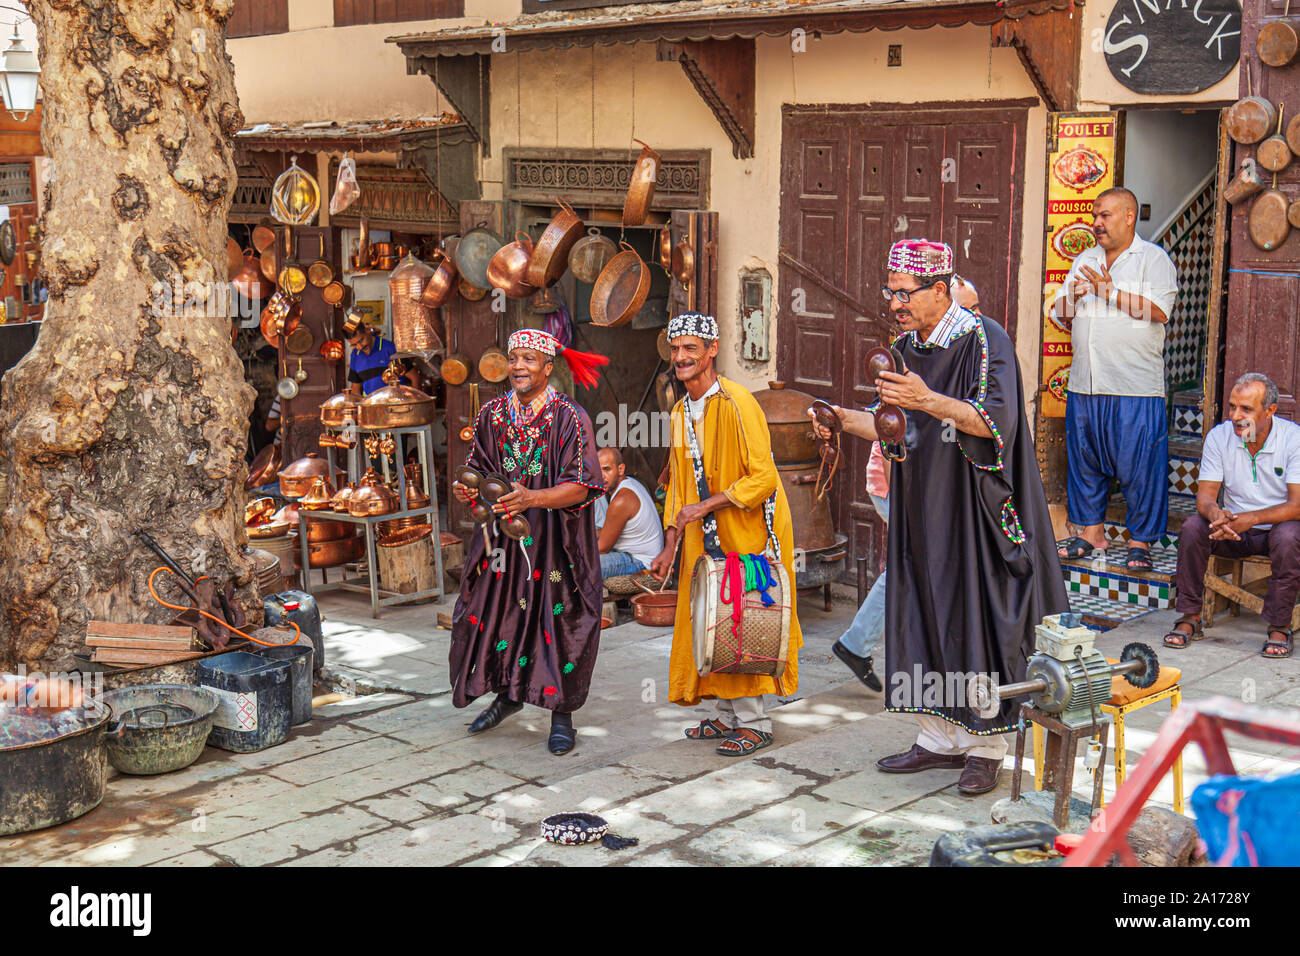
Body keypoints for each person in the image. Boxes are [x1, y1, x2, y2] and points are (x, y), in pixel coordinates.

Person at [811, 239, 1069, 795]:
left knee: (977, 616)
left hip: (976, 506)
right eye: (890, 293)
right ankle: (937, 737)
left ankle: (985, 745)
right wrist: (838, 418)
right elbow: (893, 426)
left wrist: (926, 400)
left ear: (941, 290)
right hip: (919, 503)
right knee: (922, 610)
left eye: (905, 294)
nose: (895, 304)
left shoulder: (985, 339)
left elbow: (993, 423)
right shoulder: (903, 346)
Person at [448, 329, 610, 755]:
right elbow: (479, 470)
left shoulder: (570, 418)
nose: (518, 367)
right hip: (505, 542)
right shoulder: (492, 414)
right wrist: (470, 490)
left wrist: (534, 497)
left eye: (529, 359)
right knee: (501, 615)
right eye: (514, 358)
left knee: (557, 620)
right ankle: (509, 695)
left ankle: (561, 714)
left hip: (557, 543)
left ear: (548, 368)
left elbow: (584, 485)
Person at [649, 311, 803, 758]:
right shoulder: (679, 410)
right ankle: (727, 712)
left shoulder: (738, 402)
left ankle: (755, 722)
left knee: (741, 618)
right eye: (676, 351)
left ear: (711, 351)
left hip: (747, 528)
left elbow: (763, 479)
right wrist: (671, 541)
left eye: (690, 349)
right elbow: (678, 483)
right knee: (705, 616)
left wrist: (707, 505)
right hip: (700, 531)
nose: (681, 358)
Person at [1052, 187, 1179, 571]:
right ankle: (1091, 533)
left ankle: (1141, 540)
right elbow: (1061, 314)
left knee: (1139, 465)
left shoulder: (1153, 260)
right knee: (1085, 462)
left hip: (1134, 386)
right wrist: (1073, 296)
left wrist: (1108, 291)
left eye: (1104, 215)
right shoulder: (1084, 259)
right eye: (1094, 215)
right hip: (1085, 383)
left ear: (1128, 216)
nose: (1096, 223)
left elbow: (1159, 310)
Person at [1166, 373, 1300, 660]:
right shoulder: (1220, 436)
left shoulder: (1293, 439)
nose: (1236, 416)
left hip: (1275, 531)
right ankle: (1190, 617)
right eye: (1232, 407)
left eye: (1246, 409)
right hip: (1233, 530)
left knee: (1289, 536)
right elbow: (1204, 498)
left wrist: (1250, 518)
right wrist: (1218, 515)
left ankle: (1279, 627)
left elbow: (1297, 505)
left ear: (1270, 411)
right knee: (1192, 527)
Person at [831, 441, 890, 692]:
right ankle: (856, 643)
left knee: (912, 569)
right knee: (910, 568)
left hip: (894, 484)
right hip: (892, 486)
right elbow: (891, 441)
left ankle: (856, 643)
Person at [596, 447, 664, 580]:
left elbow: (601, 548)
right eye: (597, 471)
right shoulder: (632, 484)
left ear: (621, 469)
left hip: (642, 563)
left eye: (607, 469)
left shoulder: (621, 500)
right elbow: (607, 532)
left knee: (580, 564)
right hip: (637, 555)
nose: (601, 476)